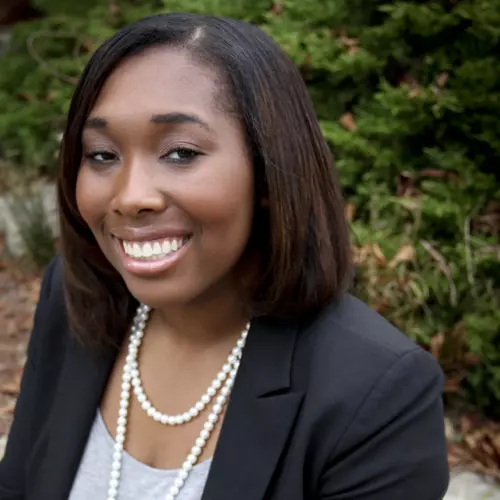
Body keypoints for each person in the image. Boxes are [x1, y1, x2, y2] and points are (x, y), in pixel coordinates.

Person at [0, 12, 449, 500]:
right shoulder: (72, 298)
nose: (130, 196)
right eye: (103, 155)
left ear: (269, 172)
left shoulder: (376, 394)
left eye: (180, 153)